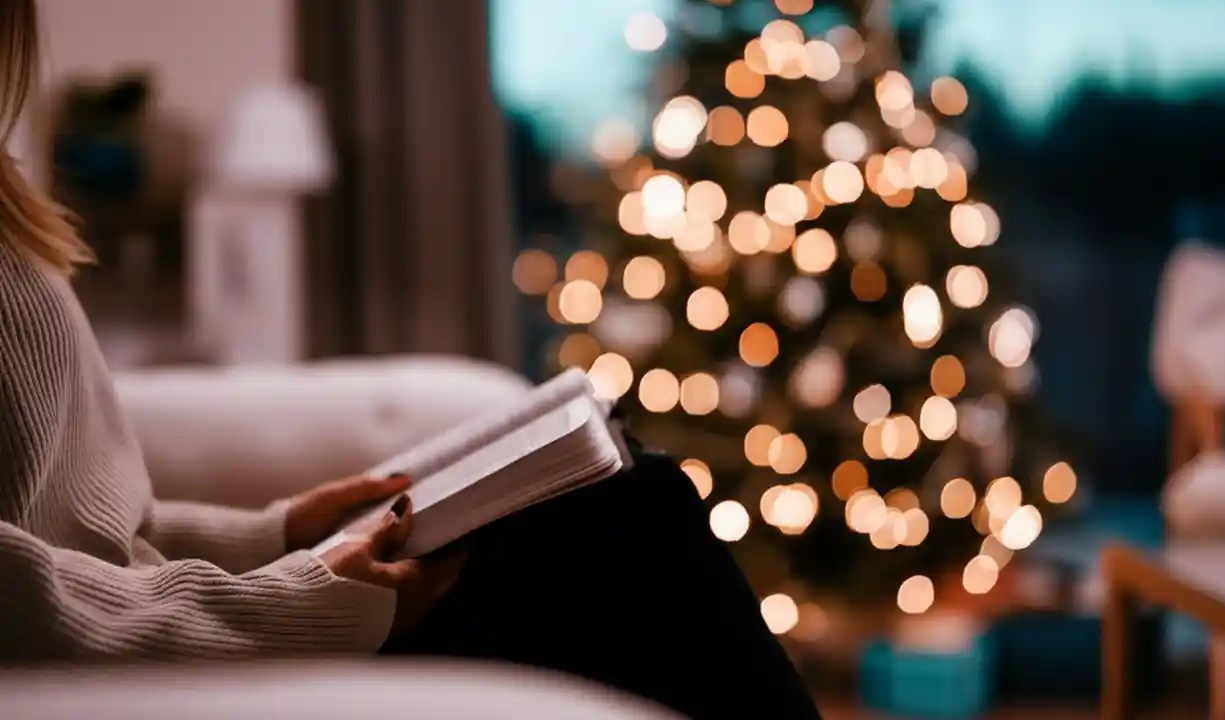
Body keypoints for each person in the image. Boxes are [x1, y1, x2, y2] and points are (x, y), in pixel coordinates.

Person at [0, 2, 819, 717]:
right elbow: (30, 598)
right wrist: (296, 599)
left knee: (624, 494)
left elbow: (91, 539)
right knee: (631, 519)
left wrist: (282, 530)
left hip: (166, 622)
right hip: (155, 657)